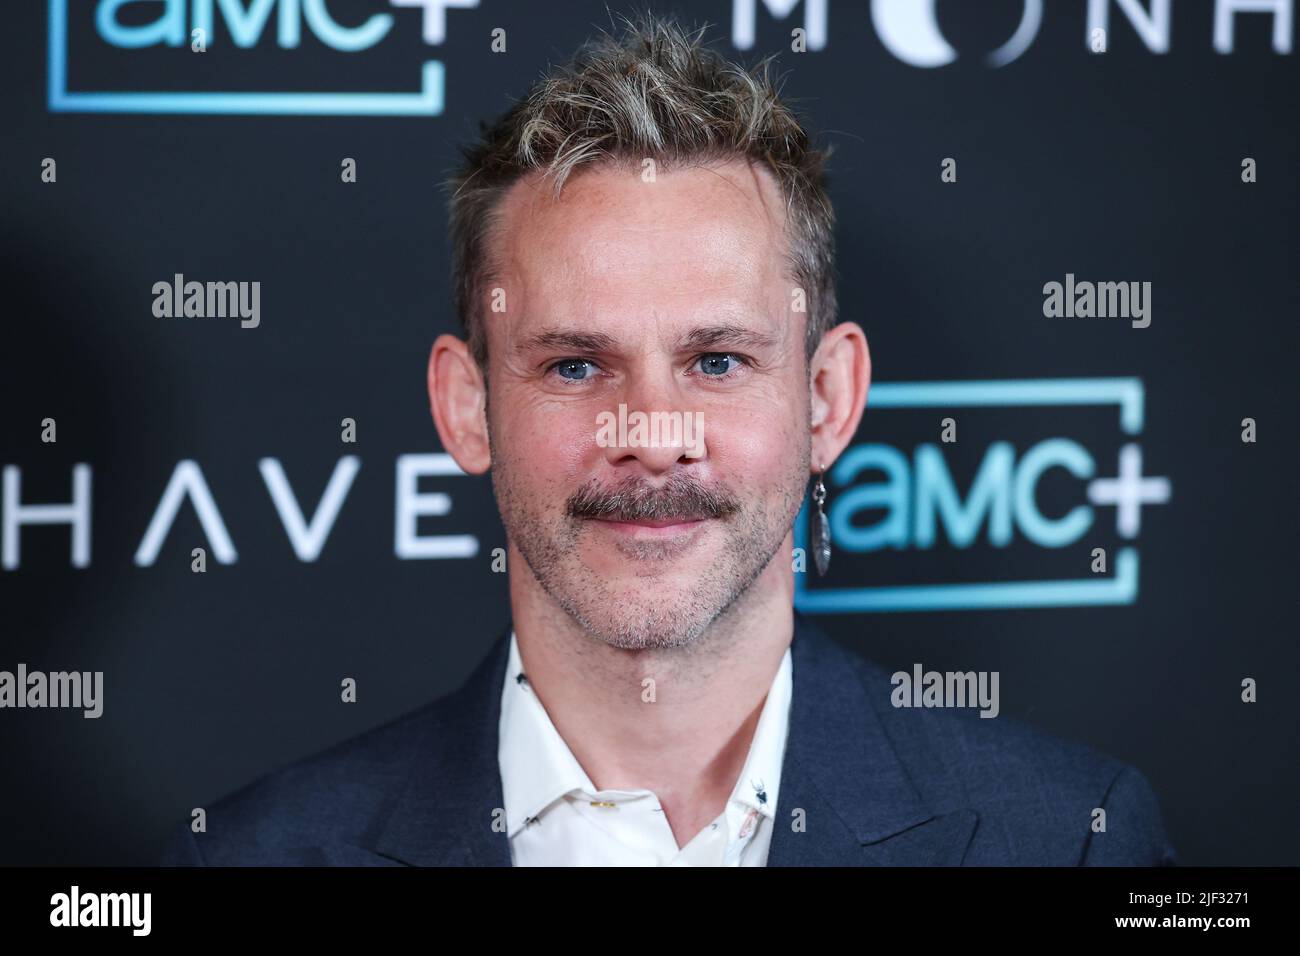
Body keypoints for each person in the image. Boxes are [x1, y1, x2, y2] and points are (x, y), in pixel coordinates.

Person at [160, 11, 1175, 867]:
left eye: (718, 361)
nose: (651, 434)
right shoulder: (257, 853)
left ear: (826, 398)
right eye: (574, 365)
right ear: (466, 406)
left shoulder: (1065, 836)